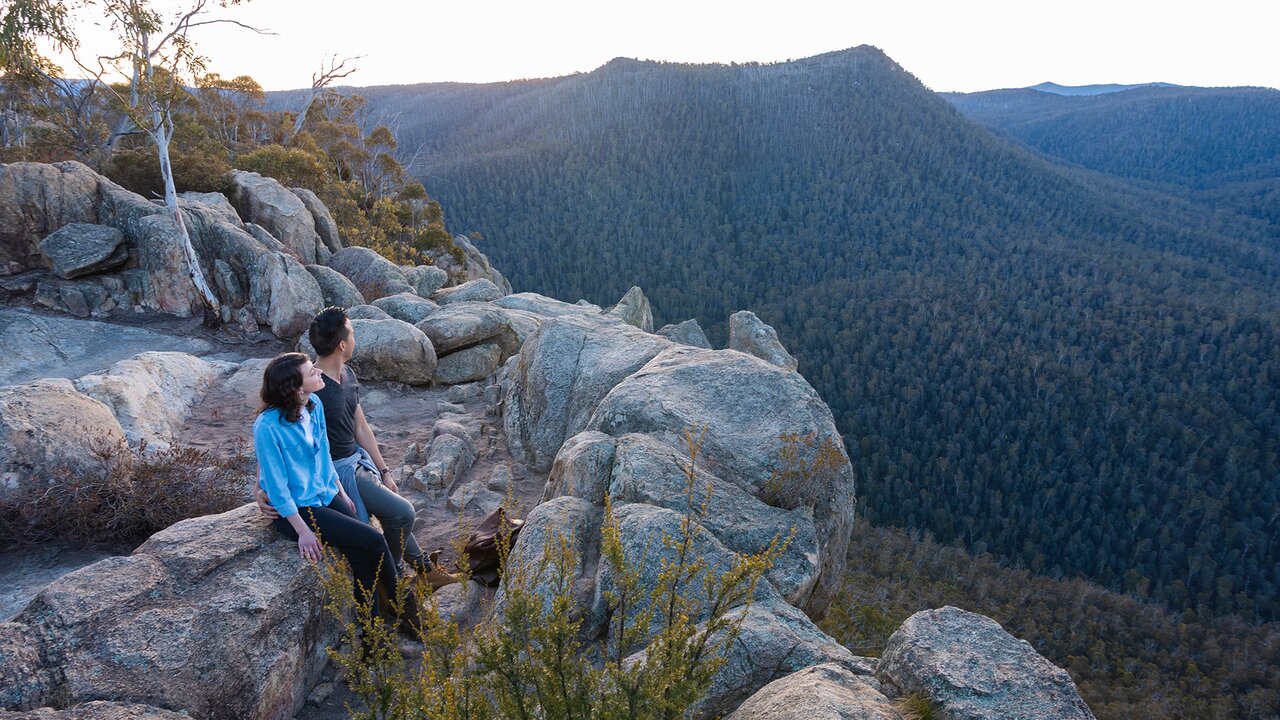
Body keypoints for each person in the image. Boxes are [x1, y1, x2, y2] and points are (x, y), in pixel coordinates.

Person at [257, 307, 435, 577]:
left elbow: (360, 426)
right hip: (337, 471)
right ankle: (395, 574)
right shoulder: (309, 386)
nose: (354, 339)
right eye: (352, 334)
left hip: (356, 461)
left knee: (392, 513)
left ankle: (423, 569)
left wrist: (384, 471)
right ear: (342, 344)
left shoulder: (347, 375)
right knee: (398, 516)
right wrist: (260, 487)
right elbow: (272, 441)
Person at [253, 352, 416, 628]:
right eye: (311, 372)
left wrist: (340, 491)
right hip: (298, 507)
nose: (318, 372)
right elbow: (277, 487)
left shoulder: (314, 404)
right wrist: (303, 531)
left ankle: (372, 635)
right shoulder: (267, 427)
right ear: (296, 387)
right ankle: (405, 606)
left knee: (361, 555)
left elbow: (324, 454)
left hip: (325, 493)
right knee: (374, 540)